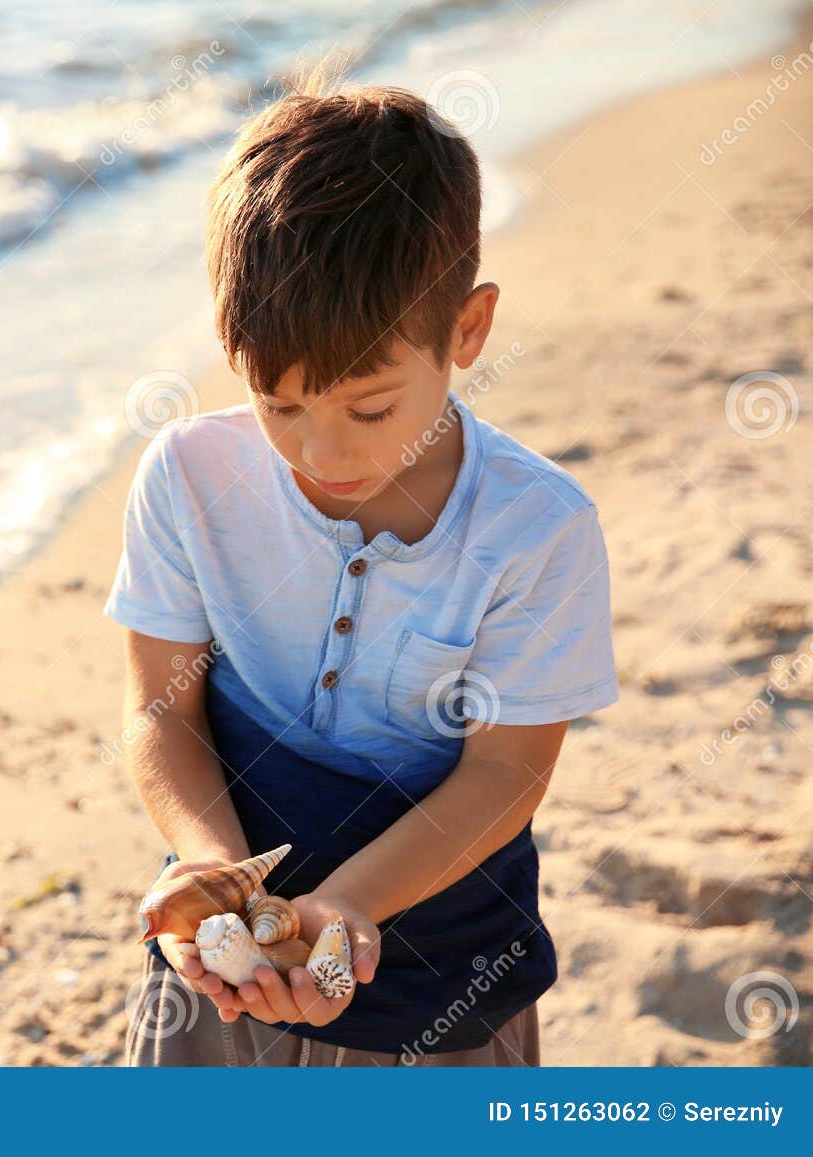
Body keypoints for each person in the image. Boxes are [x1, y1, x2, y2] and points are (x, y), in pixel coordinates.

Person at [102, 61, 619, 1067]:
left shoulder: (536, 528)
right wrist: (214, 873)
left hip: (442, 964)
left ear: (466, 330)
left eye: (369, 407)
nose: (321, 454)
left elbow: (507, 773)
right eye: (280, 404)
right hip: (222, 974)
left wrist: (348, 903)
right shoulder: (187, 474)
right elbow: (160, 708)